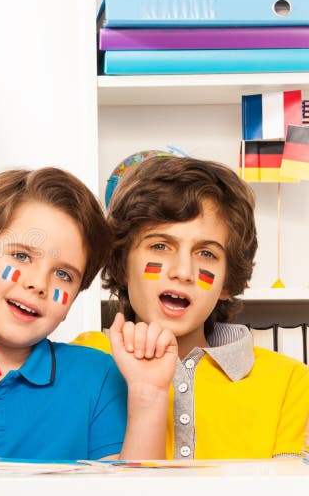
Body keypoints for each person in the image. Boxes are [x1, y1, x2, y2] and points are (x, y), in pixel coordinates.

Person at [77, 156, 309, 459]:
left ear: (227, 281)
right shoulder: (84, 361)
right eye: (160, 245)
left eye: (206, 253)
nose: (183, 271)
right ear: (121, 265)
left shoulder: (289, 381)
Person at [0, 168, 176, 461]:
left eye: (63, 274)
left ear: (73, 300)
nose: (38, 284)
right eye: (21, 256)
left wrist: (148, 396)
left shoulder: (98, 376)